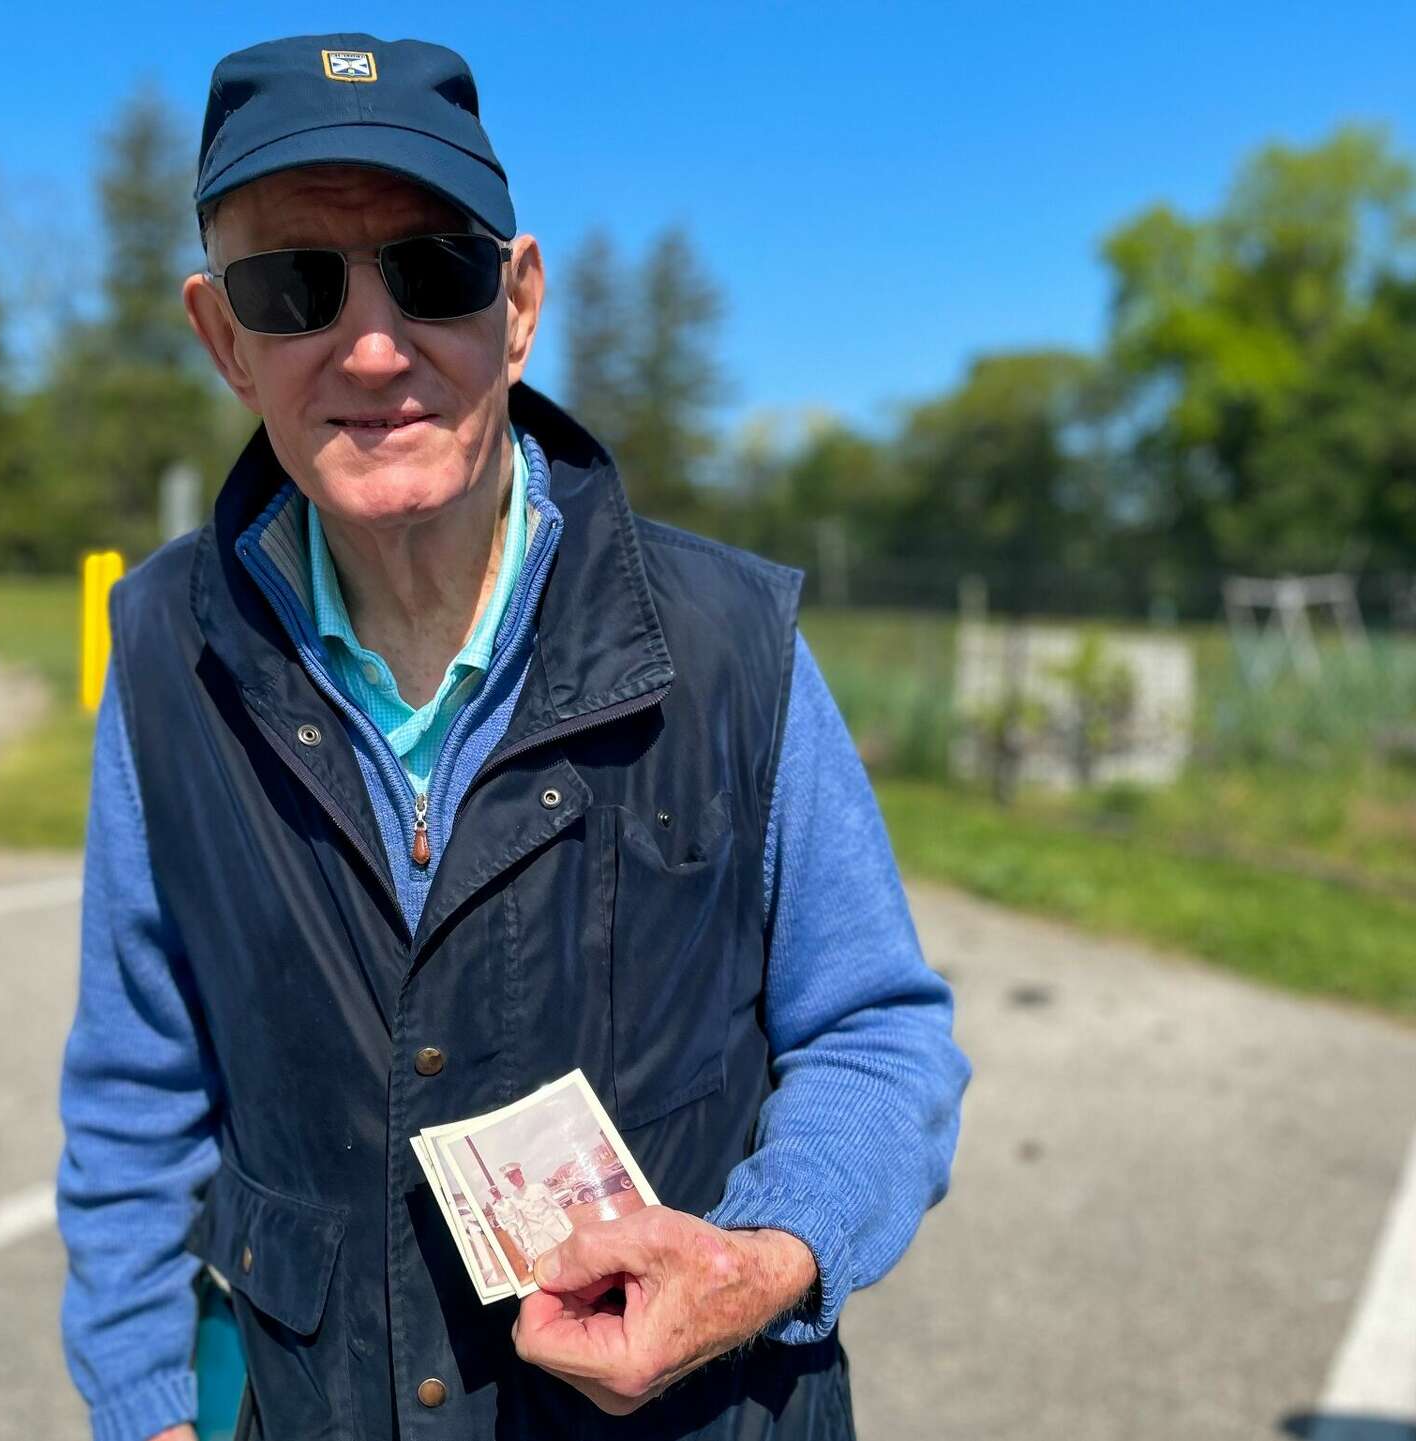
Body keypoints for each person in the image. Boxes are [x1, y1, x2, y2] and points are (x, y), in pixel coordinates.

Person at [55, 31, 970, 1441]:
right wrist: (146, 1409)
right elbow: (135, 1090)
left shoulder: (730, 641)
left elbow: (878, 1034)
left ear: (519, 303)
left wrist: (761, 1258)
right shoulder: (165, 654)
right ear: (225, 338)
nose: (375, 346)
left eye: (434, 272)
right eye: (295, 285)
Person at [492, 1162, 575, 1268]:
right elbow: (522, 1225)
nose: (513, 1179)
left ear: (520, 1173)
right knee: (556, 1268)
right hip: (541, 1241)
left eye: (514, 1175)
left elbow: (556, 1209)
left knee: (573, 1260)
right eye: (510, 1178)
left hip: (558, 1231)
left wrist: (569, 1228)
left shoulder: (539, 1188)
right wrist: (529, 1247)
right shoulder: (513, 1200)